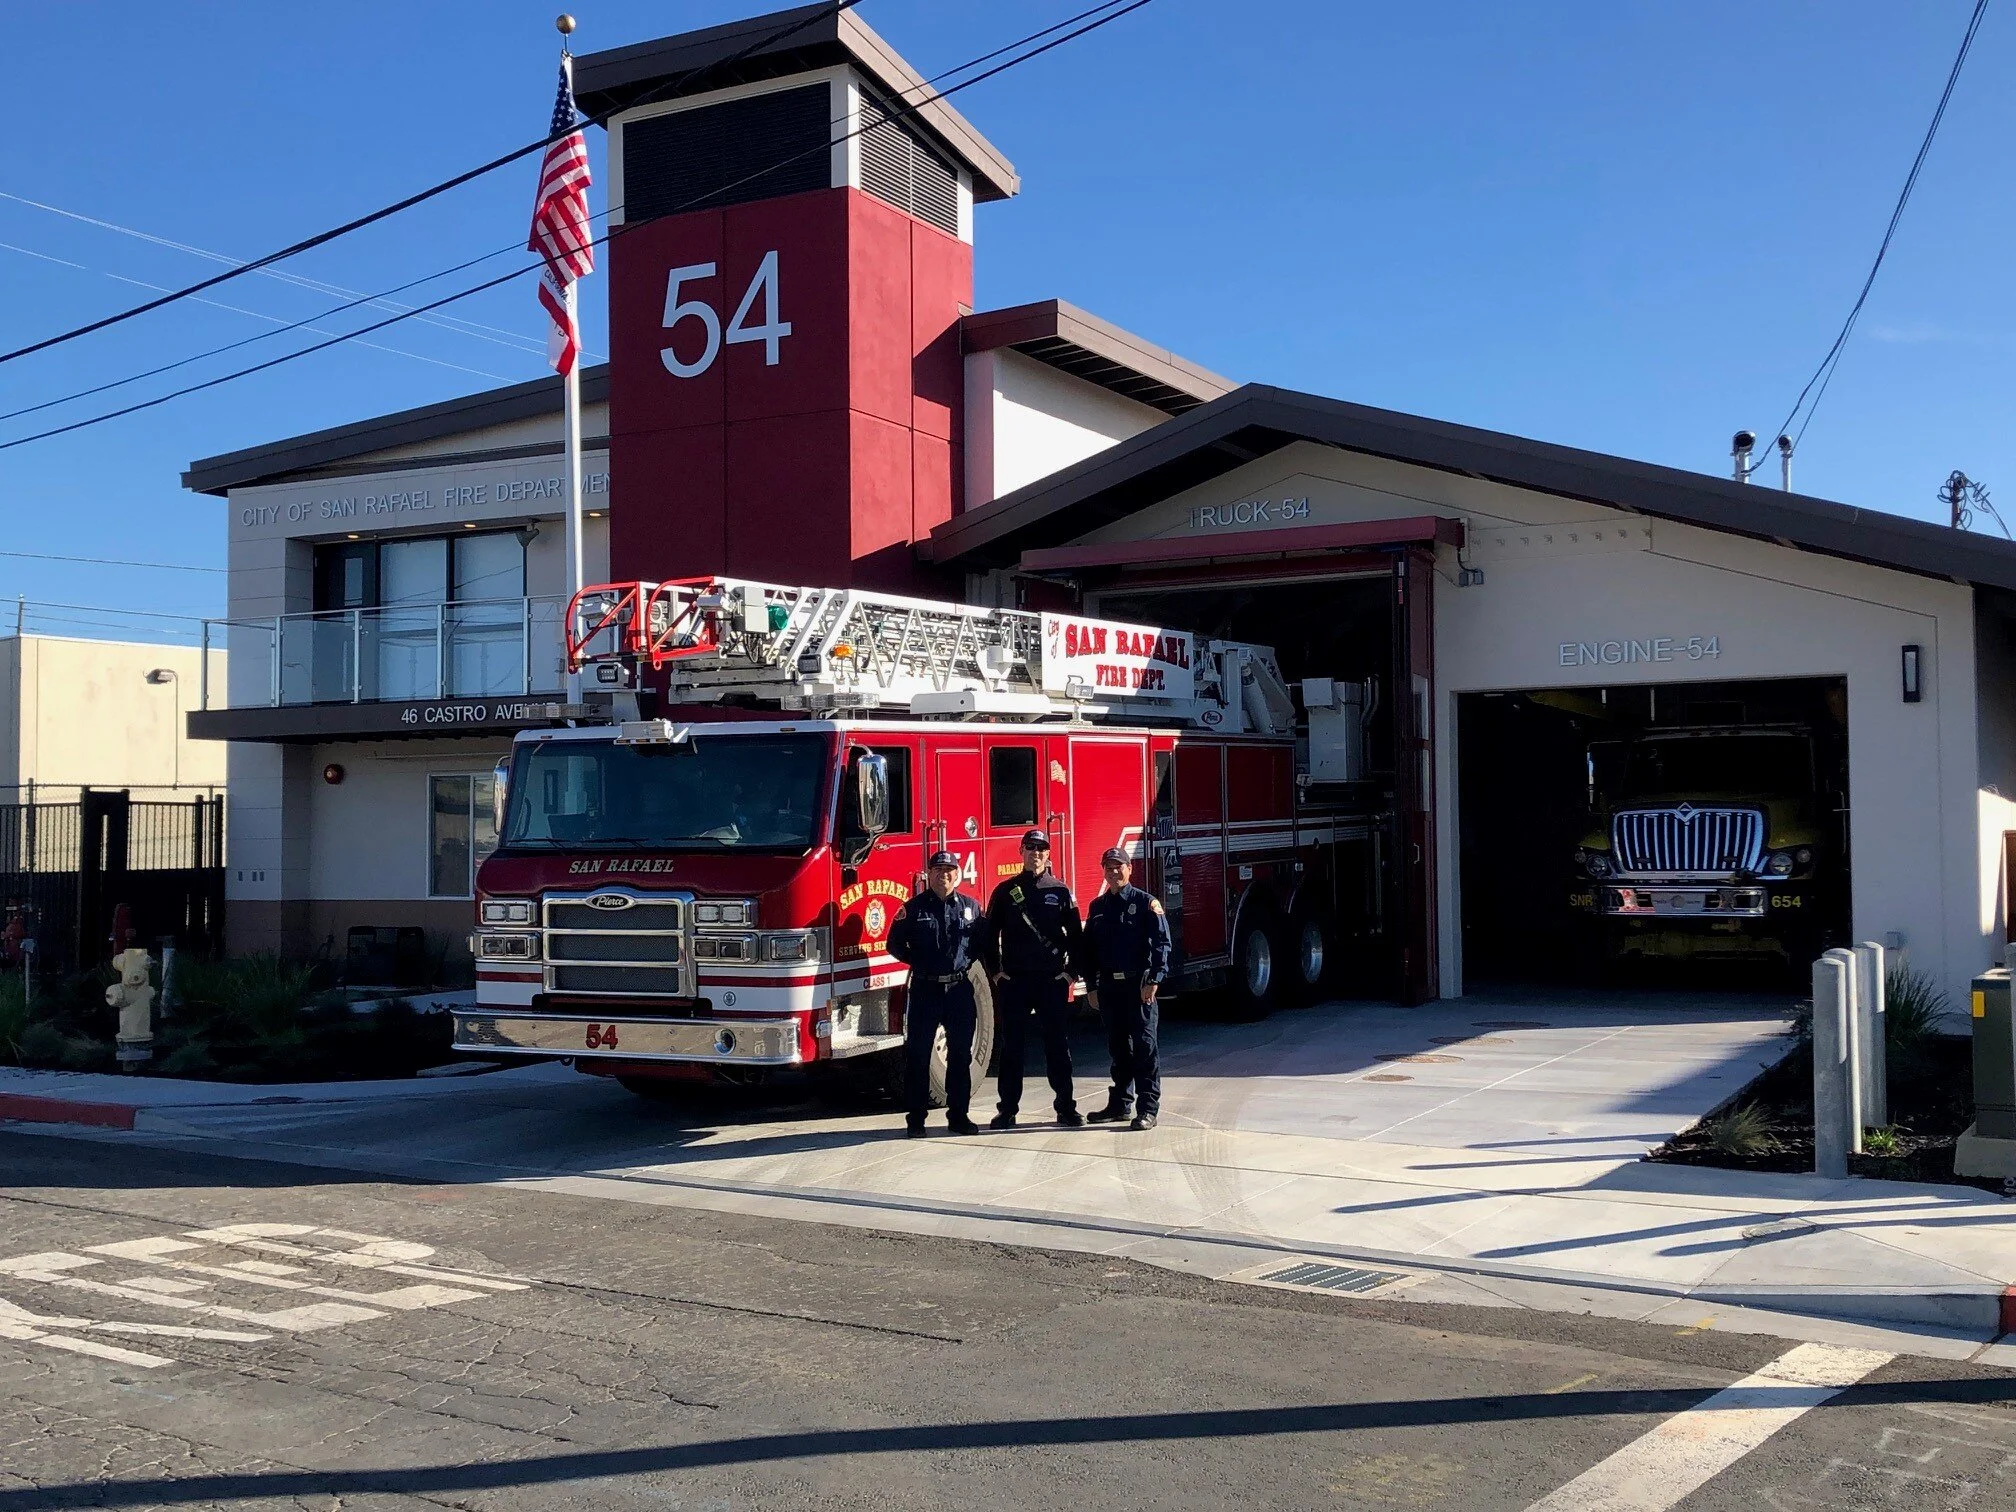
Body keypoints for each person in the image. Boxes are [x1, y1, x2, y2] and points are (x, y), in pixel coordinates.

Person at [979, 828, 1084, 1129]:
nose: (1036, 854)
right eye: (1030, 848)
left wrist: (1070, 973)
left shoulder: (1061, 892)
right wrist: (996, 972)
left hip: (1051, 981)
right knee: (1012, 1048)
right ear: (1021, 853)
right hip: (1015, 982)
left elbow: (1077, 938)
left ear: (1048, 854)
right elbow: (989, 936)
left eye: (1041, 849)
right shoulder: (1005, 891)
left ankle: (1065, 1107)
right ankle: (1007, 1110)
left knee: (1057, 1047)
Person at [886, 851, 984, 1137]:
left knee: (959, 1057)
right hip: (925, 990)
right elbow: (894, 944)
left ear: (958, 874)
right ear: (929, 874)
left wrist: (963, 964)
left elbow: (981, 942)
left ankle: (959, 1117)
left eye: (950, 870)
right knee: (917, 1056)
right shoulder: (914, 909)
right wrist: (919, 962)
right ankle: (916, 1120)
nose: (945, 875)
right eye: (939, 870)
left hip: (958, 990)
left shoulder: (971, 908)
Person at [1082, 846, 1172, 1131]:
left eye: (1118, 866)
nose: (1113, 871)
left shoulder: (1146, 903)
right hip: (1109, 988)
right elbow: (1088, 951)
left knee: (1145, 1049)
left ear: (1129, 868)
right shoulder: (1098, 908)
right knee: (1118, 1049)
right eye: (1108, 867)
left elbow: (1162, 944)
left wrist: (1154, 979)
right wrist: (1092, 987)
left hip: (1138, 987)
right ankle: (1120, 1104)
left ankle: (1147, 1109)